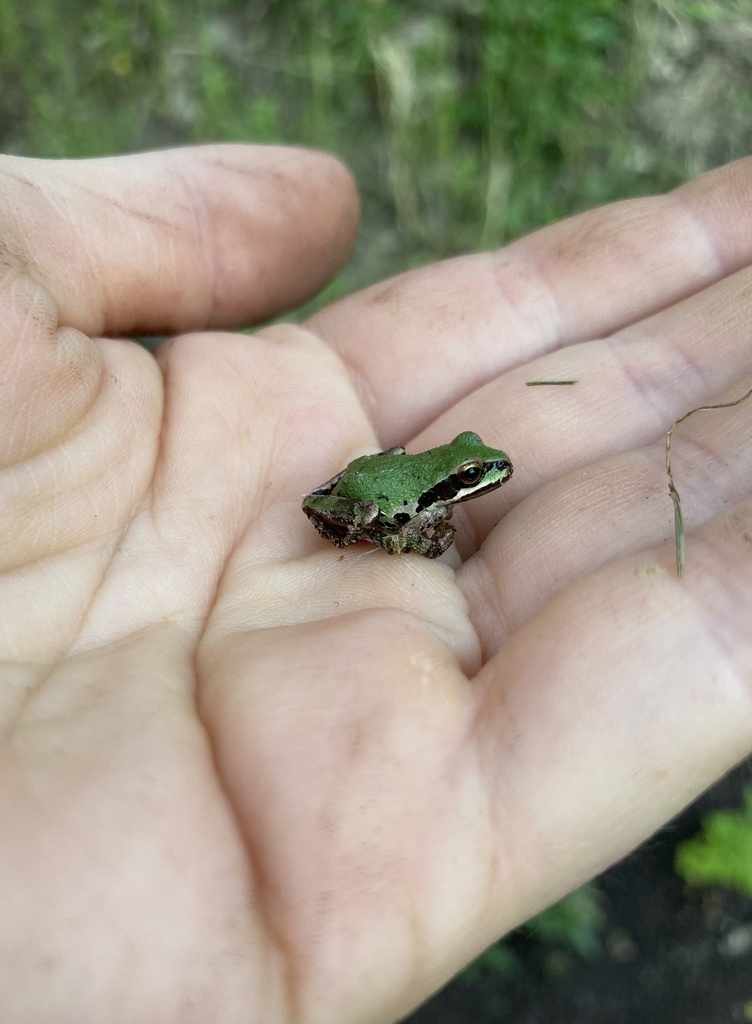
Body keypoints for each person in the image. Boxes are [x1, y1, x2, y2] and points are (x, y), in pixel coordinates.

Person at [1, 144, 750, 1023]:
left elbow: (436, 479)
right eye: (473, 479)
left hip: (387, 477)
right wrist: (417, 529)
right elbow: (400, 518)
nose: (482, 479)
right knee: (396, 523)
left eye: (471, 476)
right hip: (362, 503)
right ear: (457, 485)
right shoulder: (426, 504)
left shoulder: (456, 471)